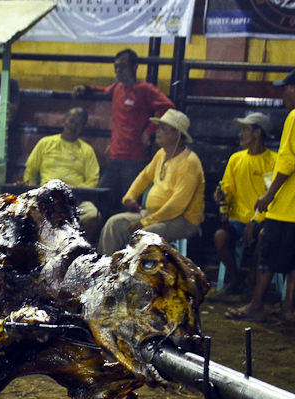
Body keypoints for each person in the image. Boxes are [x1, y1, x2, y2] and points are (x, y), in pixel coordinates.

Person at [227, 69, 295, 323]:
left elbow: (287, 162)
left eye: (285, 89)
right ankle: (288, 308)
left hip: (288, 205)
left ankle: (256, 306)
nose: (284, 95)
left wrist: (268, 196)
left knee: (269, 258)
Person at [97, 109, 204, 255]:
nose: (157, 132)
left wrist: (145, 222)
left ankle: (135, 276)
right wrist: (130, 197)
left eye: (163, 129)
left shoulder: (189, 163)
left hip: (182, 220)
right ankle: (108, 272)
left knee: (143, 236)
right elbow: (145, 177)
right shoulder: (162, 153)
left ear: (176, 134)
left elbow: (176, 207)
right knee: (114, 224)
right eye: (159, 128)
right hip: (155, 215)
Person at [73, 49, 174, 198]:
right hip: (115, 155)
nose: (119, 70)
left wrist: (149, 131)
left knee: (129, 200)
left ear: (134, 67)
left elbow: (168, 107)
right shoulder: (117, 88)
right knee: (102, 199)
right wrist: (87, 89)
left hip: (135, 158)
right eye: (116, 67)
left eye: (123, 66)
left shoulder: (145, 89)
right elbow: (104, 90)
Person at [212, 113, 277, 297]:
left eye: (245, 130)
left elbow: (273, 198)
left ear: (257, 133)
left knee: (264, 237)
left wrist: (254, 221)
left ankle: (252, 280)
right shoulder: (236, 159)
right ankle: (236, 279)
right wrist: (222, 195)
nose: (240, 134)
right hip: (239, 218)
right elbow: (227, 190)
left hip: (263, 219)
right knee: (220, 237)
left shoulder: (273, 160)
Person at [22, 107, 102, 243]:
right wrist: (31, 188)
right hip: (47, 196)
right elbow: (30, 170)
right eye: (71, 121)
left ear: (83, 128)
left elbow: (93, 180)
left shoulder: (87, 150)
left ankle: (80, 250)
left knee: (94, 217)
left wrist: (78, 190)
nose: (73, 126)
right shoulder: (45, 143)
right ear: (64, 121)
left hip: (76, 198)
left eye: (79, 124)